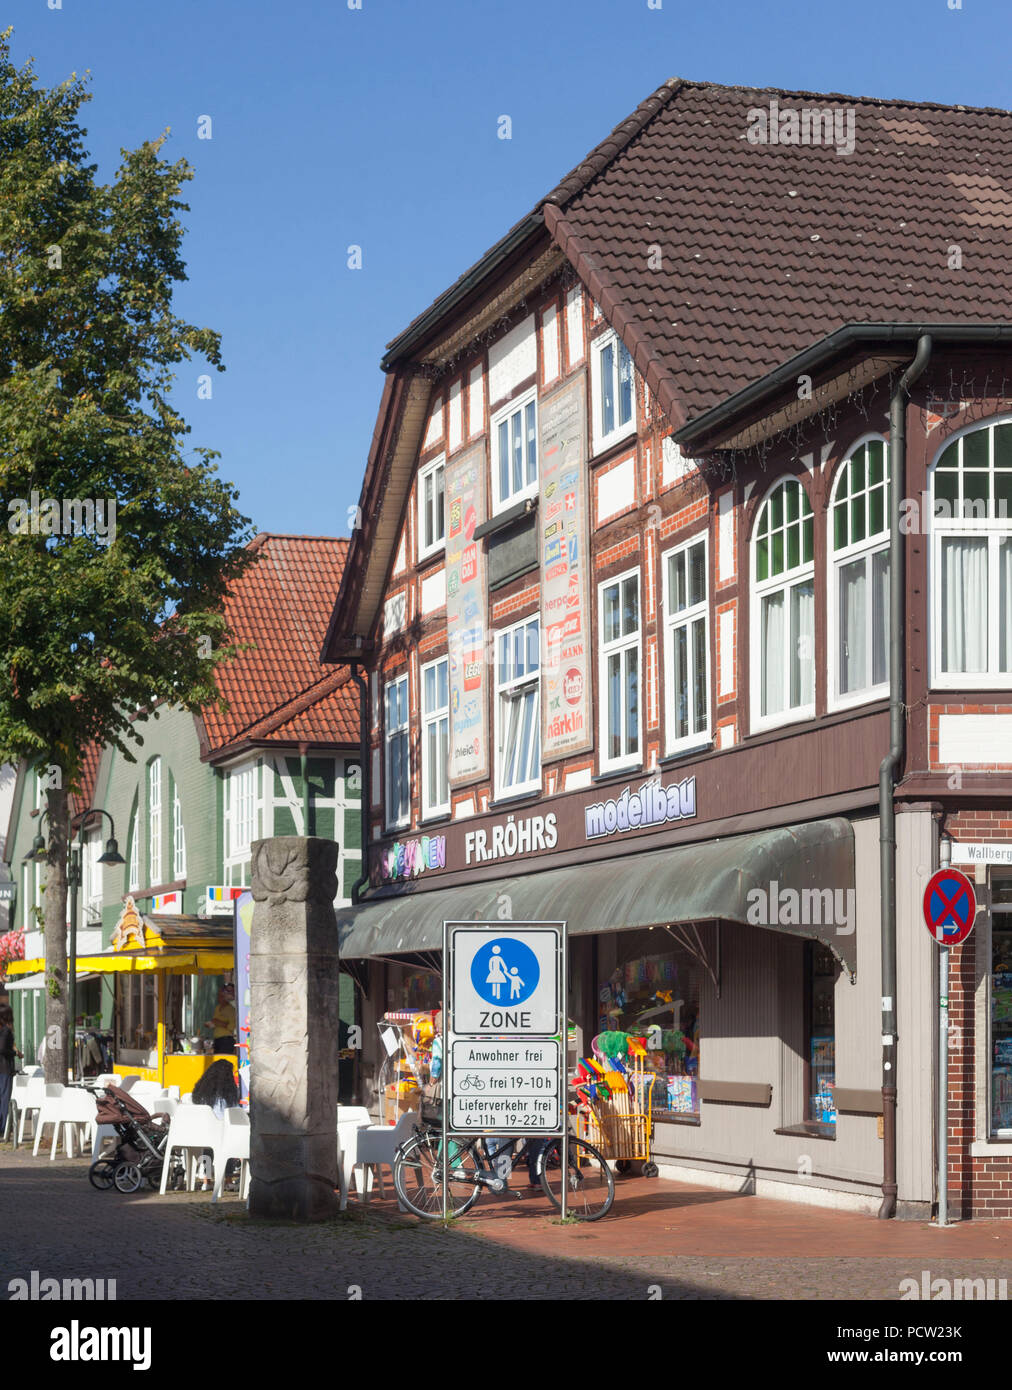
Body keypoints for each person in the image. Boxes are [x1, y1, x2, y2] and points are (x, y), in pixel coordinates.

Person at [0, 1004, 23, 1135]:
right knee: (4, 1098)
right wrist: (15, 1054)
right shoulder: (6, 1031)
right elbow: (2, 1049)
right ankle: (3, 1128)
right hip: (4, 1069)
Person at [204, 984, 236, 1055]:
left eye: (221, 996)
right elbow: (215, 1022)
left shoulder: (231, 1010)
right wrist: (211, 1024)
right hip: (217, 1039)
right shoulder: (218, 1008)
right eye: (219, 996)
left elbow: (231, 1027)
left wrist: (219, 1023)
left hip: (226, 1040)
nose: (219, 998)